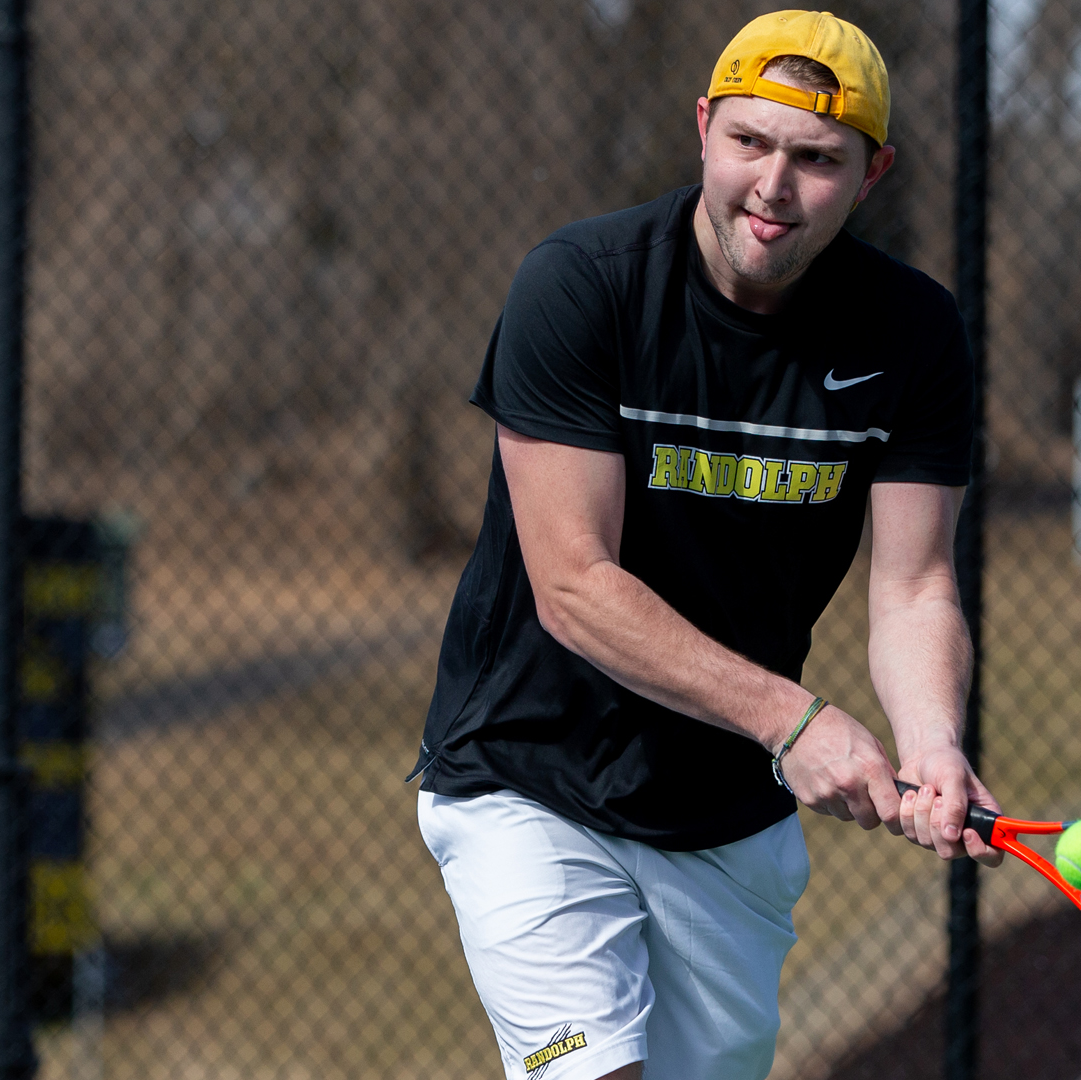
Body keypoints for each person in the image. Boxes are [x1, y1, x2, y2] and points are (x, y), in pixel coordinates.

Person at [406, 10, 1002, 1080]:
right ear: (704, 130)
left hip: (728, 816)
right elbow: (576, 587)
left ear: (874, 175)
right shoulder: (582, 285)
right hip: (529, 780)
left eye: (818, 159)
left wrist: (933, 744)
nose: (773, 185)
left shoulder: (913, 333)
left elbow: (913, 587)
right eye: (751, 143)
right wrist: (795, 720)